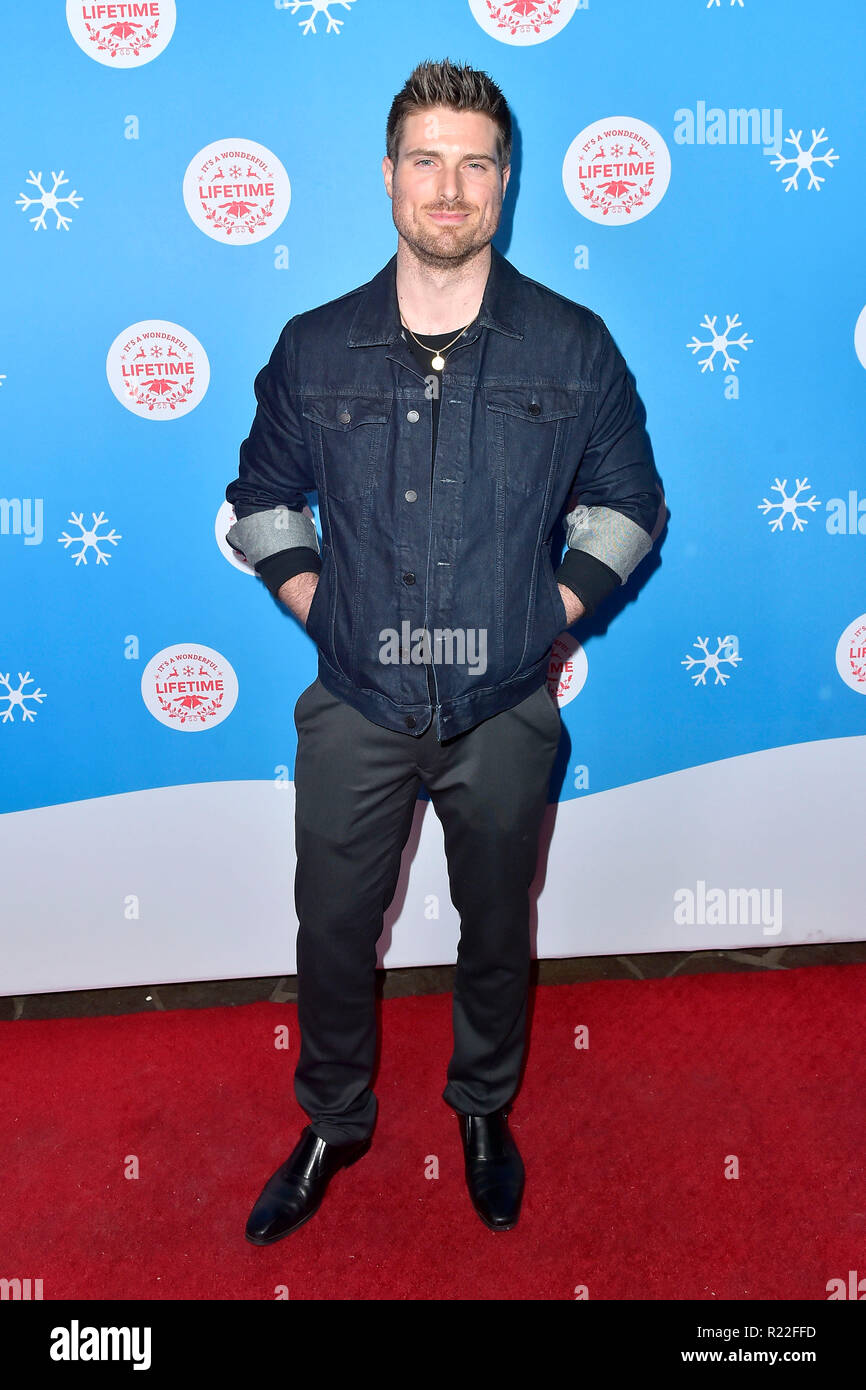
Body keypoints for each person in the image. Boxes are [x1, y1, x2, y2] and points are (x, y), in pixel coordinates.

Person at [225, 58, 663, 1242]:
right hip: (354, 701)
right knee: (330, 927)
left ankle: (479, 1105)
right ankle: (333, 1120)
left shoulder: (570, 346)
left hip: (506, 704)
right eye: (426, 160)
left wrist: (549, 617)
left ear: (504, 182)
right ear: (387, 178)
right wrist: (323, 610)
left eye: (474, 163)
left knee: (495, 923)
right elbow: (261, 501)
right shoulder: (315, 346)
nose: (449, 187)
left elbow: (629, 508)